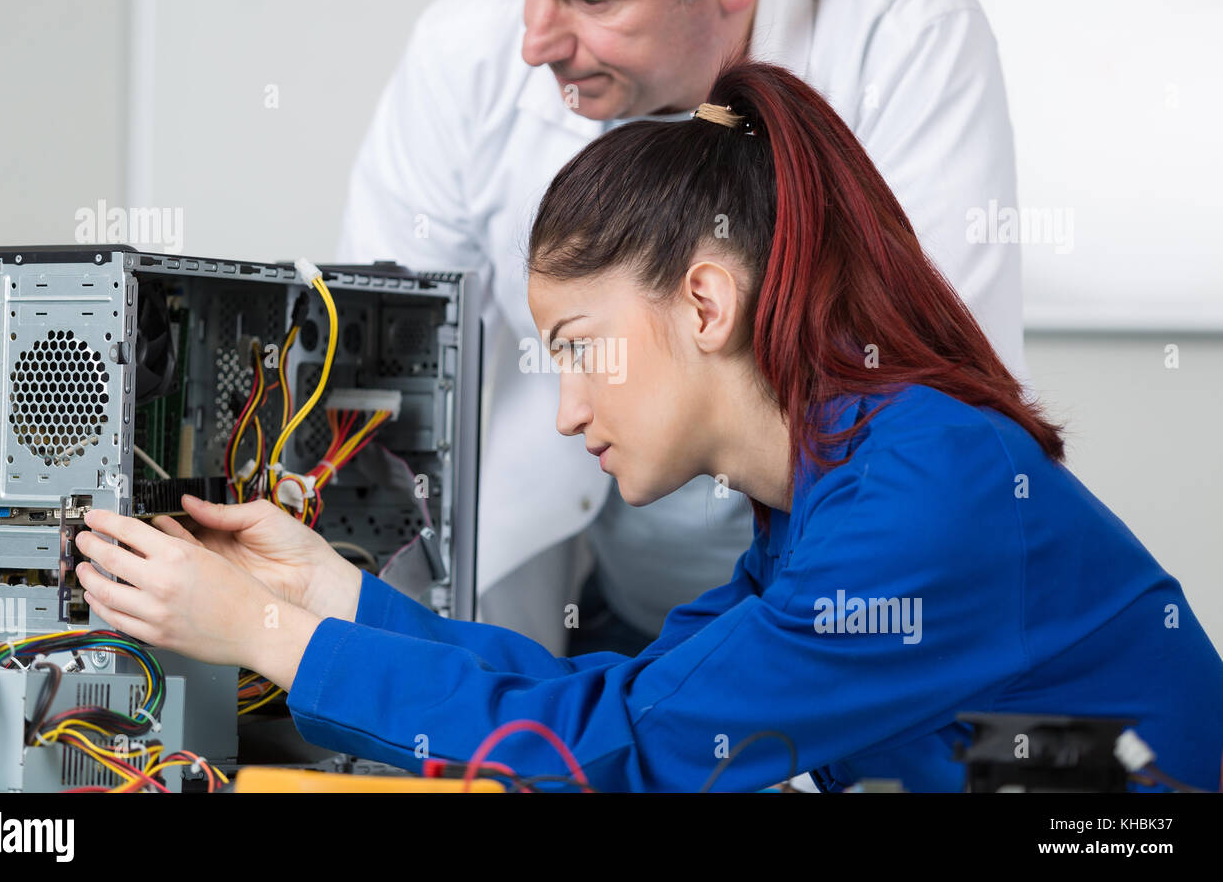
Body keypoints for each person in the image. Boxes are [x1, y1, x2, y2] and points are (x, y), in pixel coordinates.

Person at [75, 58, 1223, 793]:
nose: (569, 407)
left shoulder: (919, 499)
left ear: (707, 303)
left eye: (579, 346)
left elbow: (629, 751)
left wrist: (269, 640)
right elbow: (638, 704)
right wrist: (323, 596)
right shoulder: (836, 487)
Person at [337, 0, 1029, 659]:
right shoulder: (465, 48)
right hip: (596, 599)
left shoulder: (904, 30)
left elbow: (929, 403)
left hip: (836, 602)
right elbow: (383, 371)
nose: (533, 41)